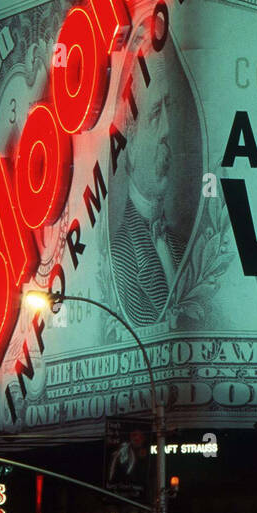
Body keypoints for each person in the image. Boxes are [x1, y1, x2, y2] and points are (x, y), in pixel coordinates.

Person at [110, 49, 188, 324]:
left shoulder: (182, 246)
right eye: (156, 113)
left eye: (169, 106)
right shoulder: (120, 259)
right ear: (130, 140)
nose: (167, 128)